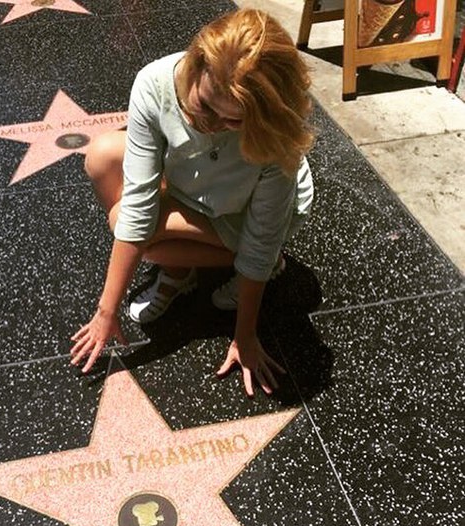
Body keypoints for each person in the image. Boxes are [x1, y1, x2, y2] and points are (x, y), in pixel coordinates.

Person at [70, 8, 315, 396]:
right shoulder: (155, 82)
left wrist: (244, 335)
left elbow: (262, 236)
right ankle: (180, 271)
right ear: (196, 65)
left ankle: (264, 267)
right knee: (102, 156)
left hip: (253, 211)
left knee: (134, 230)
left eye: (233, 121)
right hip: (199, 183)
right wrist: (106, 311)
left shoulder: (275, 130)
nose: (212, 126)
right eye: (205, 106)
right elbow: (139, 201)